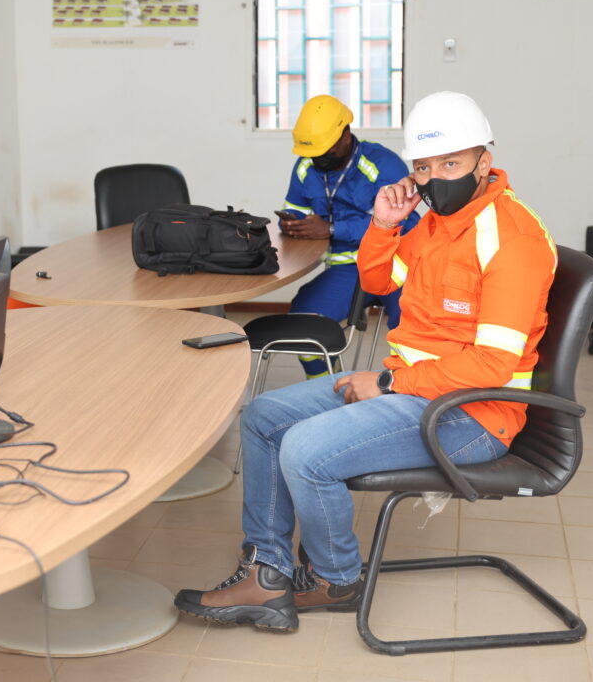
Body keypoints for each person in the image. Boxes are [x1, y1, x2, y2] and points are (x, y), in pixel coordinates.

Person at [175, 91, 556, 632]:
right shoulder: (432, 223)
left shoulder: (510, 239)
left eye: (450, 163)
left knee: (304, 449)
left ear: (483, 163)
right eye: (424, 167)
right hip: (416, 390)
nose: (434, 177)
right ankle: (267, 571)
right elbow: (378, 283)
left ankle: (337, 579)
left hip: (473, 412)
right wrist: (382, 224)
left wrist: (386, 379)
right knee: (262, 418)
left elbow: (493, 365)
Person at [277, 94, 419, 378]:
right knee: (304, 324)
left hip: (395, 263)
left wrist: (332, 229)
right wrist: (294, 225)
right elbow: (295, 211)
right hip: (347, 269)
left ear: (345, 136)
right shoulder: (308, 166)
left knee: (414, 326)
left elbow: (402, 224)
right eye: (313, 153)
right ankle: (328, 389)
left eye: (325, 152)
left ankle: (409, 391)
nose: (318, 159)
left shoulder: (384, 165)